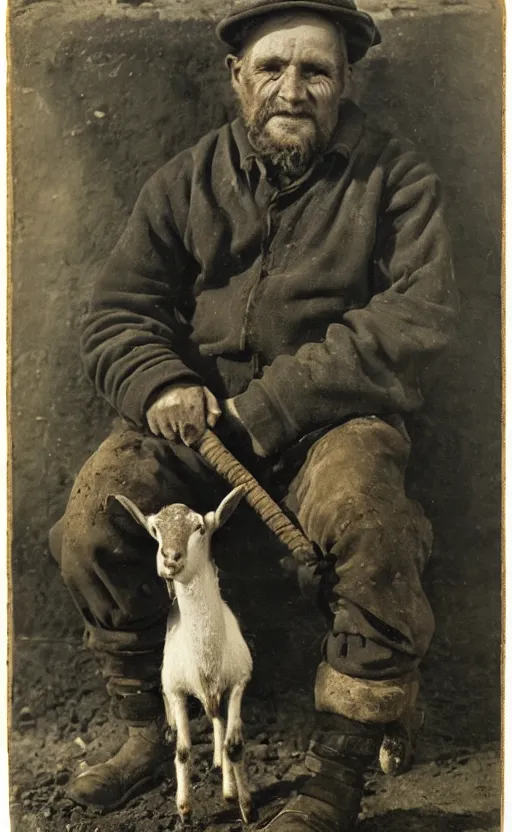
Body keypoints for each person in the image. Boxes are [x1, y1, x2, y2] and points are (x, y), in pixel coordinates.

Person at [48, 1, 459, 828]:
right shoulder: (185, 180)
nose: (292, 89)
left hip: (334, 420)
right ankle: (142, 732)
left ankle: (337, 771)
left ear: (345, 83)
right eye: (273, 69)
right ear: (238, 77)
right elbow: (118, 311)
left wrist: (270, 405)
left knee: (373, 528)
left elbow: (419, 314)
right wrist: (161, 382)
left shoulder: (396, 177)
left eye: (316, 71)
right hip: (195, 428)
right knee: (93, 517)